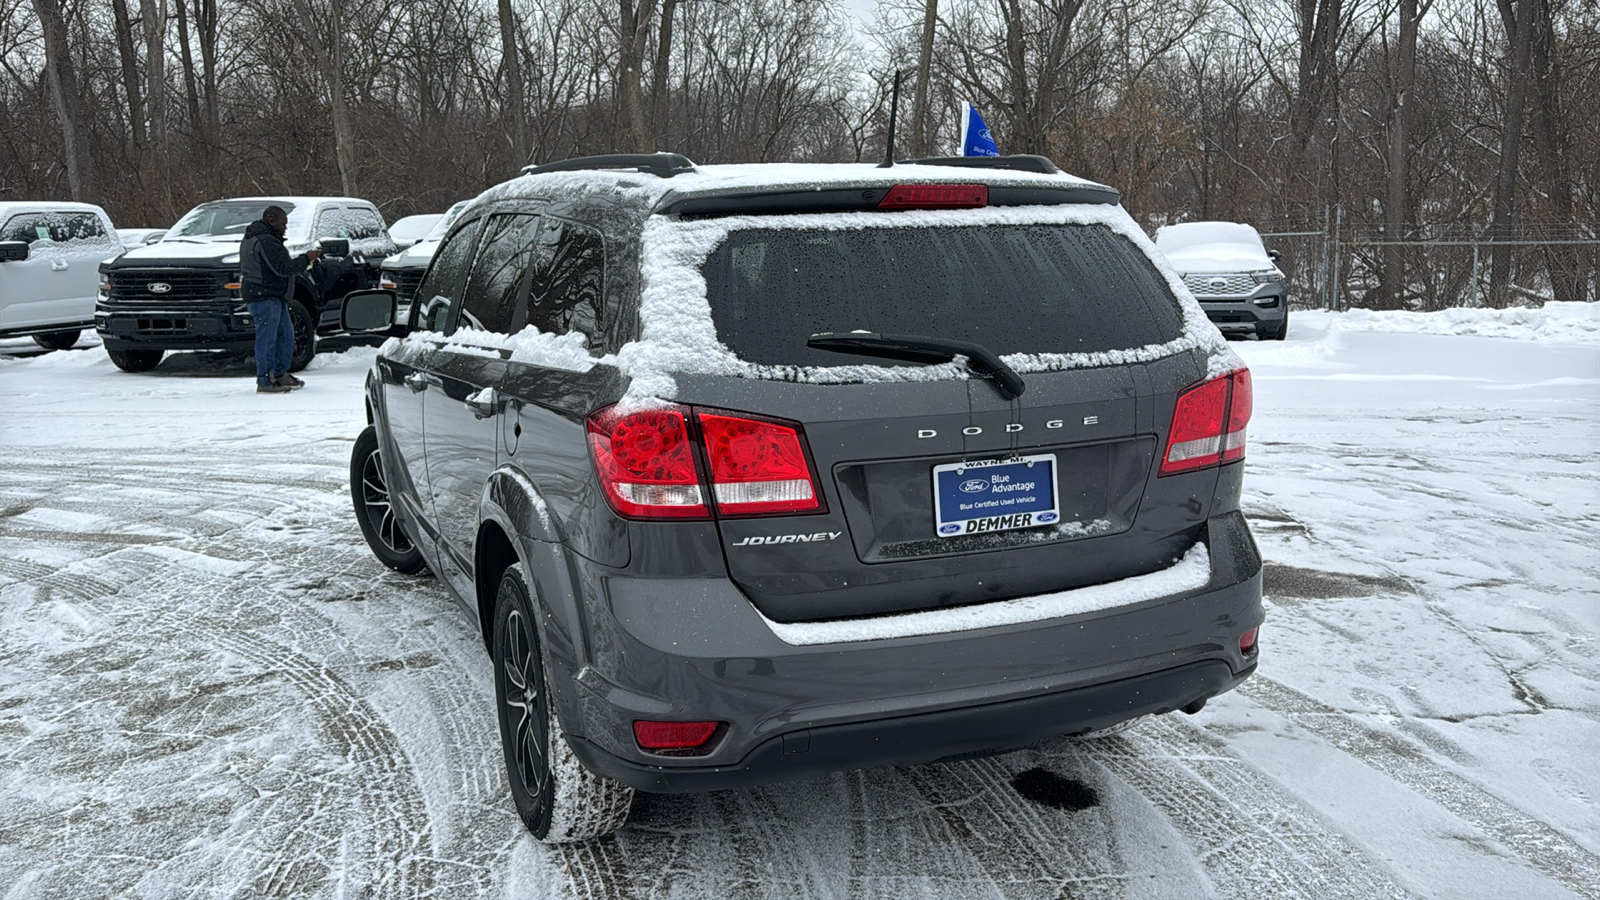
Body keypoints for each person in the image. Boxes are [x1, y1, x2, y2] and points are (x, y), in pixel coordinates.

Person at [240, 206, 321, 393]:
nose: (285, 228)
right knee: (267, 339)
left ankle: (279, 373)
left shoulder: (258, 238)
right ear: (271, 220)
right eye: (283, 223)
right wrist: (305, 259)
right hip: (264, 296)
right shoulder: (266, 240)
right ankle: (265, 380)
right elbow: (283, 268)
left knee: (286, 336)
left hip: (274, 296)